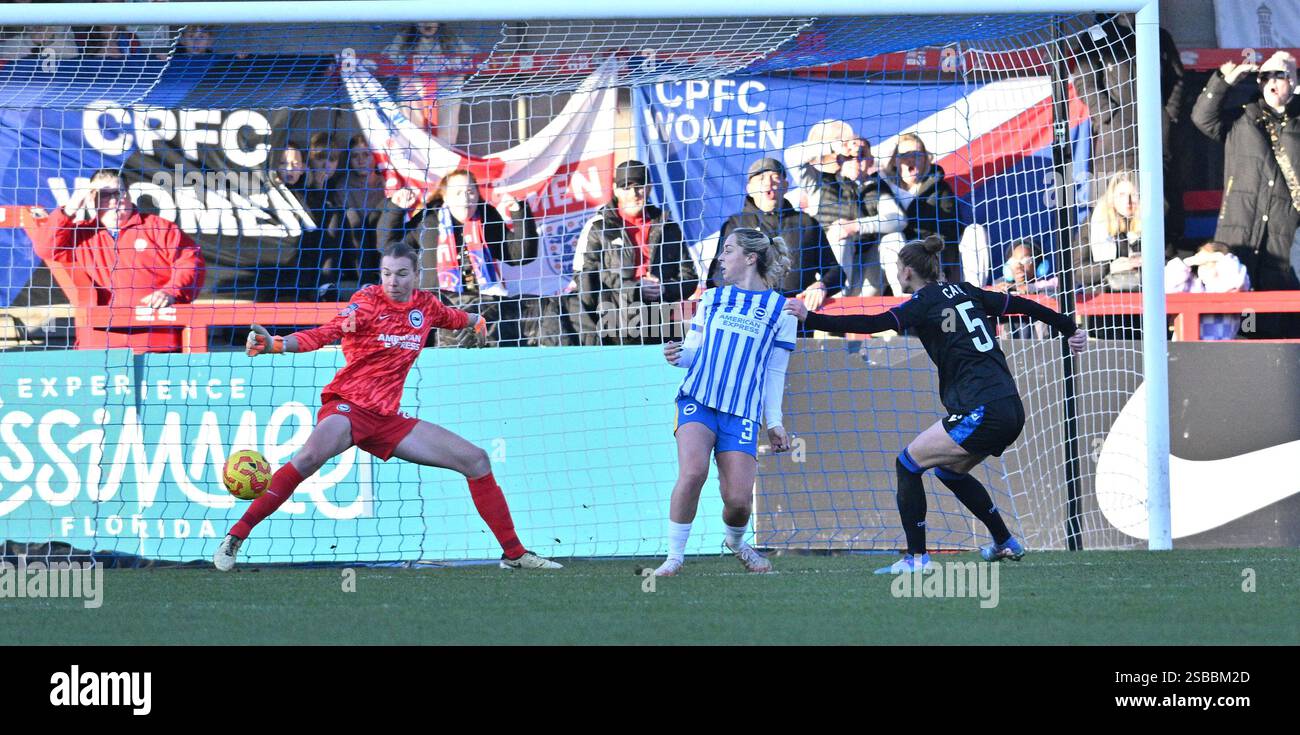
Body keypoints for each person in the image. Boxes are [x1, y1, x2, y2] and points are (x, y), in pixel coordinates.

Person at [213, 243, 561, 572]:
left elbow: (450, 317)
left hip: (387, 419)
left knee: (477, 460)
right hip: (349, 406)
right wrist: (276, 344)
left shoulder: (424, 306)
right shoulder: (365, 303)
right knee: (307, 458)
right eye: (387, 274)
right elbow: (326, 333)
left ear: (416, 274)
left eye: (401, 274)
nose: (393, 282)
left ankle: (515, 555)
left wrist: (475, 321)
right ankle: (234, 538)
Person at [784, 236, 1088, 574]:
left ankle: (916, 559)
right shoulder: (968, 291)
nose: (898, 274)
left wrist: (810, 319)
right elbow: (1024, 304)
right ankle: (1004, 542)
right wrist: (1068, 327)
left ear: (908, 272)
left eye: (899, 269)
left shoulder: (923, 302)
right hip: (1010, 406)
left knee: (907, 463)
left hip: (982, 409)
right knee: (949, 471)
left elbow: (871, 325)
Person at [654, 228, 796, 577]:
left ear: (750, 257)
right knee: (693, 471)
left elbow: (775, 371)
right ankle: (674, 557)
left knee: (738, 502)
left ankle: (736, 541)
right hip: (698, 400)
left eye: (728, 250)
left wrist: (774, 421)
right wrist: (677, 355)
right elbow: (693, 350)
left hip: (742, 411)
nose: (721, 257)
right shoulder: (713, 297)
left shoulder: (783, 310)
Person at [32, 168, 205, 353]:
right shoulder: (79, 235)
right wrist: (70, 208)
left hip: (155, 338)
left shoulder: (159, 227)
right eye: (104, 194)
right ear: (91, 198)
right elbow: (45, 248)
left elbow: (191, 263)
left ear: (128, 195)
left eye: (119, 192)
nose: (114, 200)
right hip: (100, 341)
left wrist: (171, 292)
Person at [1192, 50, 1300, 338]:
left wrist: (1286, 120)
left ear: (1295, 81)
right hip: (1239, 234)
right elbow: (1202, 118)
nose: (1272, 82)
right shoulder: (1244, 117)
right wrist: (1223, 82)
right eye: (1265, 76)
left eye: (1281, 75)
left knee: (1278, 323)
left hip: (1283, 238)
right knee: (1238, 321)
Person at [377, 168, 537, 346]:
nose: (466, 198)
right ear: (445, 196)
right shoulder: (428, 219)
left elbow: (521, 256)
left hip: (485, 303)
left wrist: (519, 212)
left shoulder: (487, 216)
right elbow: (388, 248)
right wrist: (395, 210)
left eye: (470, 191)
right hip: (440, 304)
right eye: (458, 192)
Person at [572, 160, 698, 345]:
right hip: (613, 322)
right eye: (626, 187)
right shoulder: (598, 226)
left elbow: (689, 278)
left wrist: (663, 288)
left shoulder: (668, 227)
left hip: (658, 320)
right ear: (615, 190)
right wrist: (634, 288)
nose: (634, 194)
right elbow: (584, 277)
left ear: (649, 189)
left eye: (639, 186)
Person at [785, 122, 906, 297]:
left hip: (867, 276)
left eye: (862, 154)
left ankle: (904, 300)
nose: (856, 159)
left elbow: (899, 220)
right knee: (838, 234)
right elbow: (791, 157)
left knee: (893, 237)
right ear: (840, 159)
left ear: (870, 160)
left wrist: (855, 226)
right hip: (833, 277)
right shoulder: (820, 183)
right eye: (849, 156)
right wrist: (834, 146)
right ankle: (834, 300)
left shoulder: (878, 187)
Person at [708, 157, 842, 313]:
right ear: (749, 188)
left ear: (786, 185)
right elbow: (717, 276)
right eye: (760, 178)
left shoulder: (806, 223)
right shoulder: (735, 225)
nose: (768, 183)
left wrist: (822, 285)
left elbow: (836, 272)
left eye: (775, 177)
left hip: (794, 316)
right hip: (746, 314)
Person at [882, 133, 972, 287]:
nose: (911, 159)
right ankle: (903, 298)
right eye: (904, 155)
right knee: (891, 239)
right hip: (904, 257)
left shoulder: (940, 188)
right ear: (896, 161)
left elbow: (949, 229)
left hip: (936, 254)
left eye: (917, 154)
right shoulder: (885, 189)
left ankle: (972, 290)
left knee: (974, 231)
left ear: (925, 159)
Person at [1076, 171, 1142, 338]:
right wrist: (1110, 267)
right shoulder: (1093, 223)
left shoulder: (1153, 224)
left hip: (1142, 310)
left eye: (1132, 195)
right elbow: (1077, 272)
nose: (1127, 202)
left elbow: (1167, 260)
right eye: (1121, 195)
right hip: (1104, 312)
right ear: (1111, 197)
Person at [1164, 241, 1251, 341]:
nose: (1204, 268)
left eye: (1209, 264)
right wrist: (1187, 261)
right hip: (1186, 349)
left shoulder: (1229, 285)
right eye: (1201, 264)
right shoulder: (1192, 284)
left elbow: (1236, 278)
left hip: (1219, 348)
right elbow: (1167, 284)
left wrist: (1218, 257)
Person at [990, 240, 1058, 339]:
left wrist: (1030, 288)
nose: (1018, 266)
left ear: (1039, 265)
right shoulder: (999, 287)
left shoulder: (1050, 288)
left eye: (1025, 261)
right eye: (1013, 262)